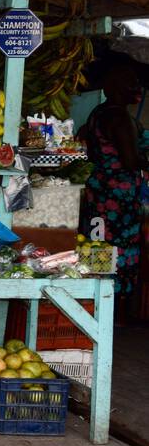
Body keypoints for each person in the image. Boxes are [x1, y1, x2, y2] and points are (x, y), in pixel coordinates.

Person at [79, 61, 147, 314]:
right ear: (116, 87)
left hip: (99, 188)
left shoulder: (99, 112)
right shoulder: (119, 117)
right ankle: (114, 309)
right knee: (119, 245)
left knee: (98, 242)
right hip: (118, 195)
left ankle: (93, 300)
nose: (136, 87)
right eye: (131, 83)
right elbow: (131, 160)